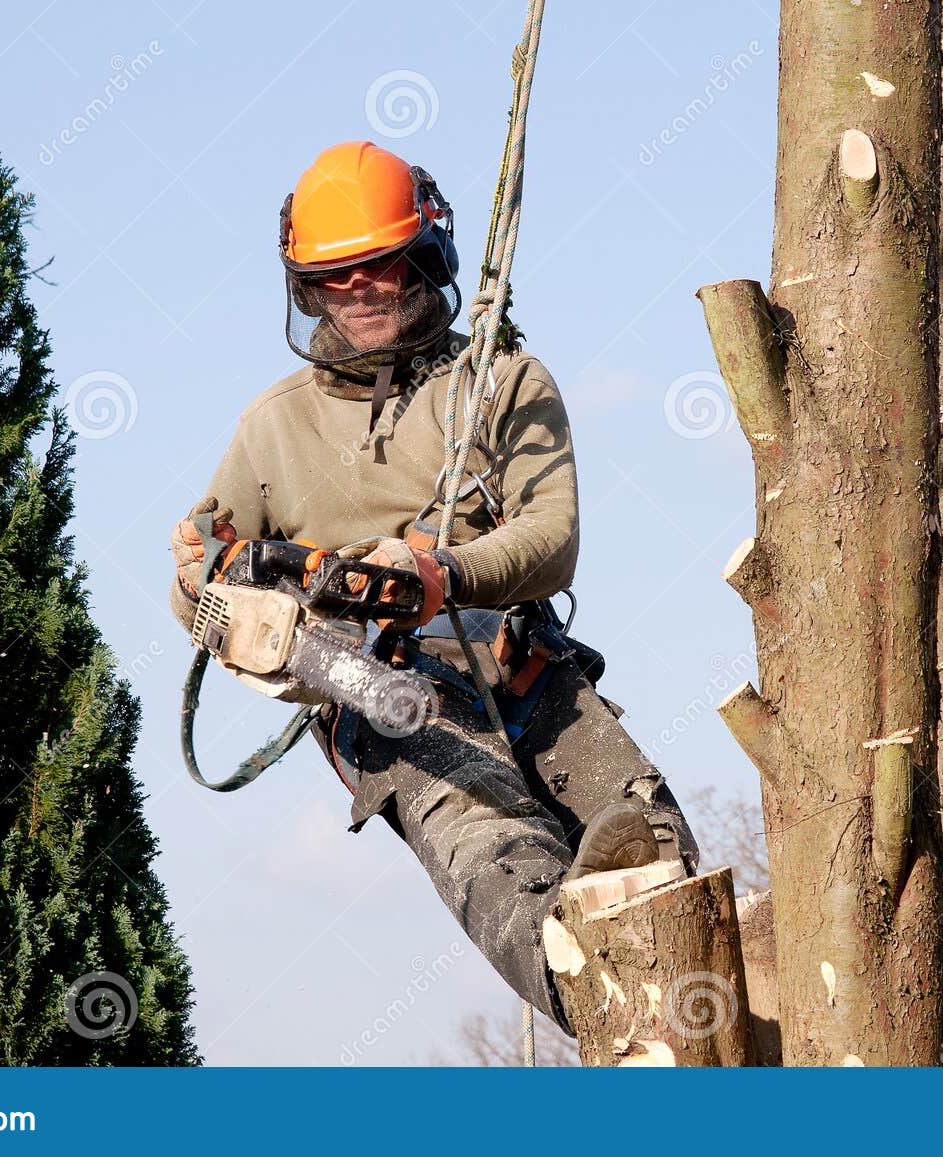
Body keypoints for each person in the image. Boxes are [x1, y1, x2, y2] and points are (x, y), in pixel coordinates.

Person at [168, 140, 699, 1035]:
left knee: (650, 837)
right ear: (307, 287)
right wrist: (210, 587)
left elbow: (553, 535)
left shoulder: (501, 380)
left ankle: (703, 1000)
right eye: (339, 275)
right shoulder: (273, 430)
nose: (363, 289)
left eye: (382, 264)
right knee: (498, 854)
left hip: (521, 664)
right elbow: (200, 587)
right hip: (381, 696)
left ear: (425, 257)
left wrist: (440, 572)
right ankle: (604, 1002)